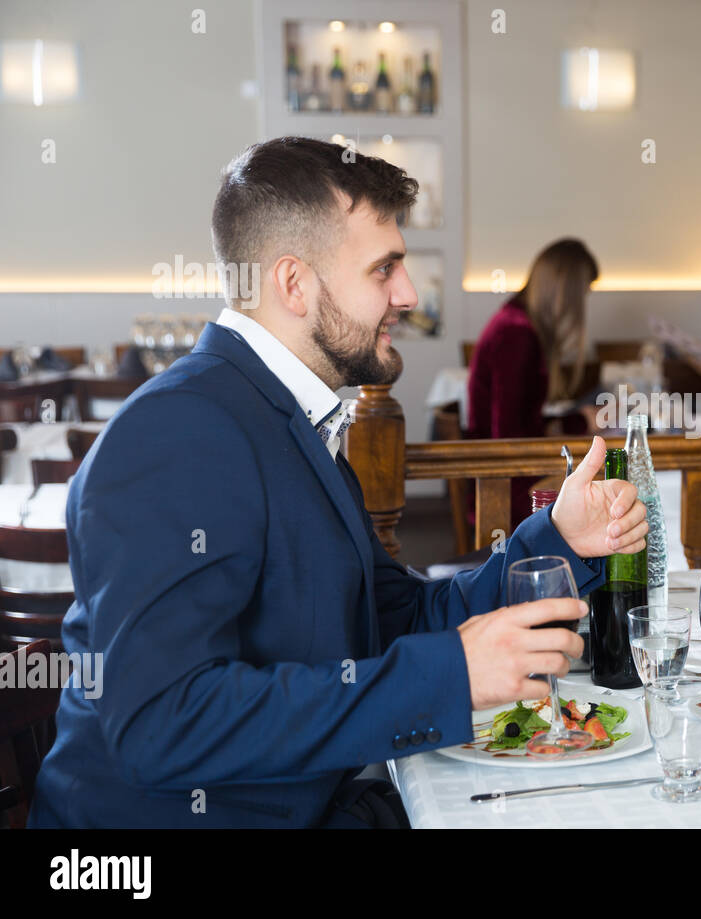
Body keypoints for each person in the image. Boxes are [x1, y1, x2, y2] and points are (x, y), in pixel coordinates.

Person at [27, 138, 647, 828]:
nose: (408, 294)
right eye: (385, 268)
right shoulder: (178, 429)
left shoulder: (292, 420)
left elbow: (396, 620)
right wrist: (450, 675)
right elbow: (160, 723)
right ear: (294, 283)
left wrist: (559, 538)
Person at [466, 238, 598, 524]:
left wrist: (574, 419)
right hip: (503, 488)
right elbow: (512, 436)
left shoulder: (515, 321)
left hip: (501, 473)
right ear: (567, 293)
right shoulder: (517, 333)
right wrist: (578, 422)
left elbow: (520, 422)